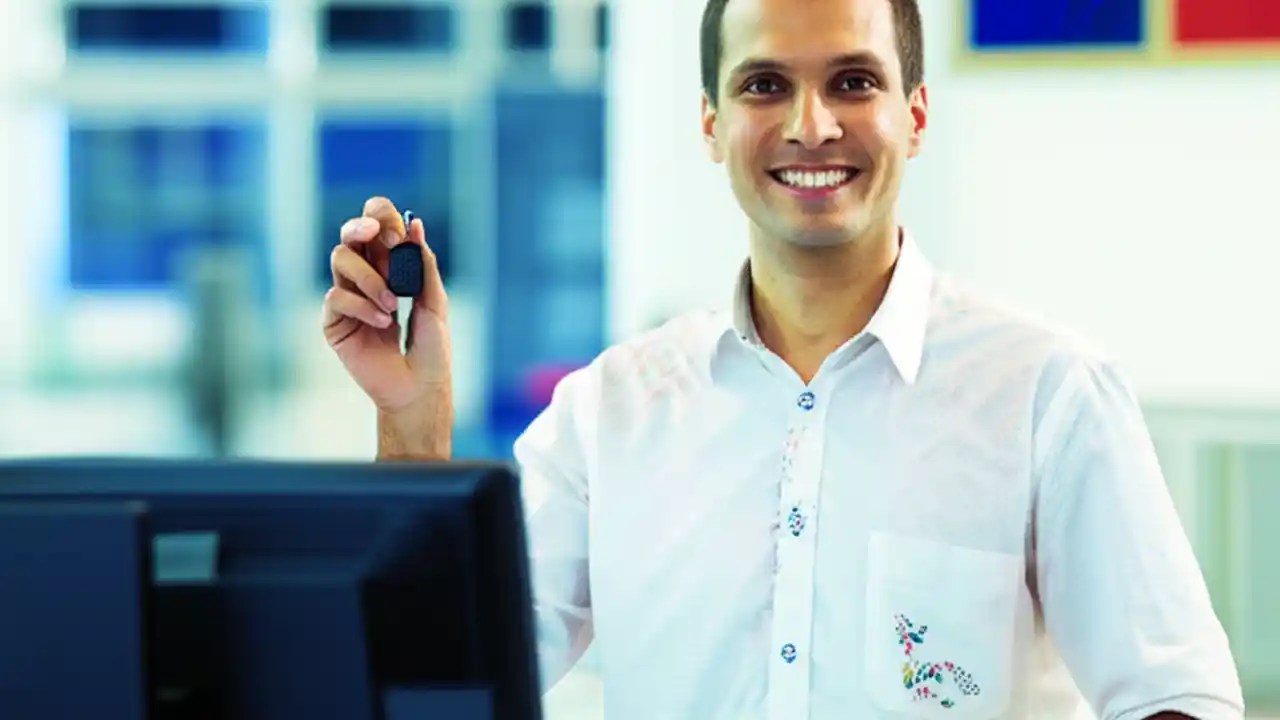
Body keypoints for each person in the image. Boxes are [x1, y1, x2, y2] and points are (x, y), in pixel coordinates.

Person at [322, 0, 1245, 717]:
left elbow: (1176, 698)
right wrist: (412, 428)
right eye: (765, 85)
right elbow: (441, 678)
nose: (812, 125)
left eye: (854, 82)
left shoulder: (1047, 394)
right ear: (710, 123)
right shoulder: (610, 412)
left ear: (915, 116)